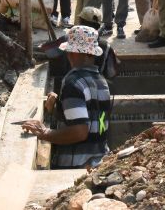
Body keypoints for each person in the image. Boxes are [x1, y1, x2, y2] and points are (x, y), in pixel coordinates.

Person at [22, 25, 111, 169]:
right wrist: (61, 104)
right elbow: (94, 119)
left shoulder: (73, 83)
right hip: (98, 162)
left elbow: (79, 132)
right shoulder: (101, 81)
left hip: (75, 167)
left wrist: (45, 132)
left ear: (73, 52)